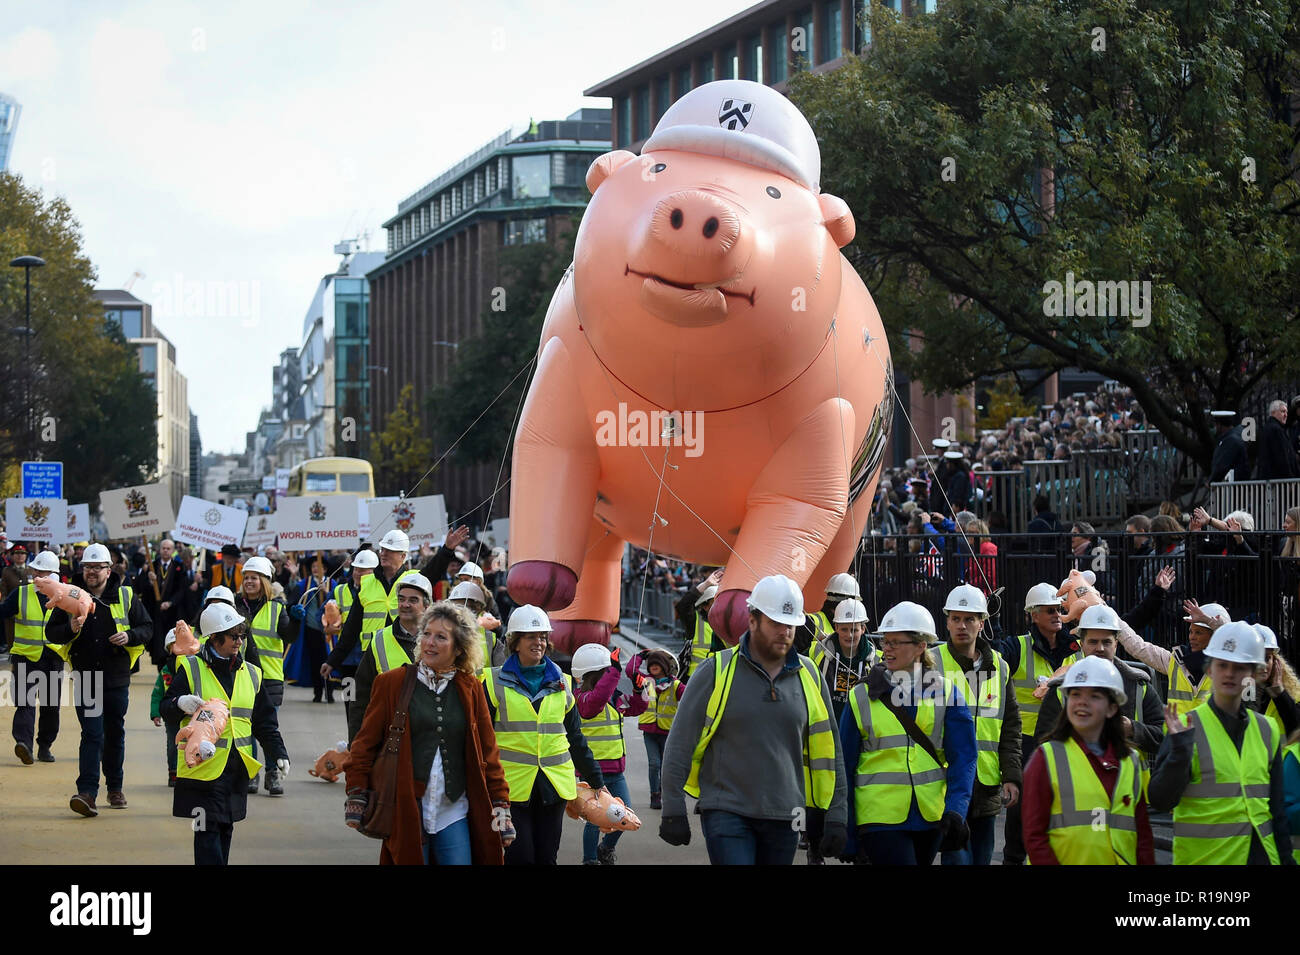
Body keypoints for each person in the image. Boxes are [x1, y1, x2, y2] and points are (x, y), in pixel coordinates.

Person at [659, 575, 848, 865]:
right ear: (753, 620)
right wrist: (672, 807)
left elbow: (830, 750)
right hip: (726, 810)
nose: (785, 632)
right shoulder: (716, 670)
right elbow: (680, 742)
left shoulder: (809, 675)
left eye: (790, 625)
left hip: (788, 815)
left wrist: (837, 814)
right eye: (776, 623)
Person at [345, 602, 512, 865]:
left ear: (459, 648)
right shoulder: (391, 683)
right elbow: (364, 745)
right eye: (426, 634)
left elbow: (489, 755)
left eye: (441, 637)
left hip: (455, 809)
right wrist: (356, 791)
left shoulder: (471, 689)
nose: (429, 642)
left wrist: (501, 807)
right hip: (405, 808)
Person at [840, 600, 977, 865]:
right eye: (885, 642)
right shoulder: (861, 696)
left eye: (894, 643)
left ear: (920, 646)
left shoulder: (948, 693)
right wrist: (846, 828)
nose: (886, 649)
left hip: (930, 817)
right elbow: (844, 764)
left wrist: (956, 810)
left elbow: (964, 758)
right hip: (878, 816)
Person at [1149, 622, 1294, 865]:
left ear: (1255, 674)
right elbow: (1161, 800)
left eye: (1240, 667)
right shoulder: (1185, 726)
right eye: (1222, 665)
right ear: (1209, 671)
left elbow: (1276, 810)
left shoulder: (1266, 729)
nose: (1229, 673)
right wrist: (1179, 753)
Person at [161, 603, 287, 865]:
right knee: (206, 831)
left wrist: (278, 754)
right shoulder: (191, 667)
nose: (240, 641)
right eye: (234, 636)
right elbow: (166, 707)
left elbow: (265, 721)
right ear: (215, 638)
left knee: (225, 828)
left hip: (236, 768)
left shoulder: (251, 673)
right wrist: (180, 703)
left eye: (242, 635)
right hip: (203, 770)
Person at [482, 605, 606, 865]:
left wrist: (596, 779)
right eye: (530, 636)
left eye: (542, 636)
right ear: (515, 642)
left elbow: (575, 737)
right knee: (519, 858)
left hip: (553, 788)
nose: (538, 642)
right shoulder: (491, 683)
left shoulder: (562, 681)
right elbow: (478, 741)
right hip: (506, 792)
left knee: (546, 858)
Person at [44, 543, 153, 817]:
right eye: (87, 567)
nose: (91, 572)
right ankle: (87, 793)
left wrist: (130, 636)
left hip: (116, 677)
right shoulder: (70, 595)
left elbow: (147, 627)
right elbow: (51, 632)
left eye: (97, 567)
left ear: (109, 569)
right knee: (92, 733)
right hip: (87, 678)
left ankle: (115, 788)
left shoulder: (126, 596)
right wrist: (69, 627)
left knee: (114, 734)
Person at [1022, 657, 1154, 864]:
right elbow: (1034, 836)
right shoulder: (1046, 758)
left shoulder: (1132, 762)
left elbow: (1143, 837)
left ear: (1112, 708)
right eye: (1075, 694)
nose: (1082, 701)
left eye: (1094, 696)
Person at [991, 582, 1081, 864]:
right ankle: (1013, 859)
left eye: (1059, 610)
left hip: (1066, 740)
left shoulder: (1075, 647)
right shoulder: (1018, 647)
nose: (1056, 615)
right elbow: (993, 657)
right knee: (1020, 810)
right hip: (1026, 742)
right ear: (1033, 615)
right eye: (1049, 610)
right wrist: (991, 619)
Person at [934, 584, 1021, 865]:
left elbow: (1010, 727)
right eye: (956, 618)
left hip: (987, 783)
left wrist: (1011, 776)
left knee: (982, 859)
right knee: (956, 859)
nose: (962, 625)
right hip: (946, 782)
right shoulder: (930, 664)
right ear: (946, 621)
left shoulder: (1000, 666)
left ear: (982, 623)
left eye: (970, 619)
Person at [1036, 604, 1165, 758]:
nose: (1100, 648)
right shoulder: (1060, 689)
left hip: (1127, 780)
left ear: (1116, 644)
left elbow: (1164, 736)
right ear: (1081, 644)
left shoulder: (1139, 686)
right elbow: (1043, 743)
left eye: (1107, 642)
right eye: (1093, 642)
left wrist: (1132, 729)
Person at [340, 573, 433, 744]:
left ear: (427, 606)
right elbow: (360, 697)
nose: (405, 605)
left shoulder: (438, 641)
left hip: (428, 739)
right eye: (401, 599)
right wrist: (355, 744)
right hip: (388, 739)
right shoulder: (379, 641)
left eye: (413, 600)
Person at [234, 555, 295, 795]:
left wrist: (296, 622)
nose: (249, 582)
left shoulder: (277, 608)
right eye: (246, 578)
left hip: (269, 676)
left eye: (254, 578)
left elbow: (290, 637)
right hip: (240, 674)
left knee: (268, 726)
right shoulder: (234, 605)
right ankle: (251, 772)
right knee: (245, 727)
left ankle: (273, 774)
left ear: (265, 582)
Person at [2, 550, 68, 764]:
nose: (37, 576)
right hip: (24, 657)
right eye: (35, 571)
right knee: (25, 703)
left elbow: (76, 625)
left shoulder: (66, 596)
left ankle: (45, 745)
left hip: (53, 658)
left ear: (54, 574)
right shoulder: (21, 594)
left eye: (42, 572)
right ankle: (24, 745)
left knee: (50, 706)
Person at [572, 643, 632, 865]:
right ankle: (590, 860)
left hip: (616, 770)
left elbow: (634, 707)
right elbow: (595, 703)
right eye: (606, 673)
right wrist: (615, 671)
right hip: (592, 770)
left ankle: (605, 848)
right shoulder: (581, 699)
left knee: (624, 815)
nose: (610, 677)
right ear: (595, 676)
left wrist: (639, 691)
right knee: (595, 819)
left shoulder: (612, 697)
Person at [1117, 598, 1228, 716]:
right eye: (1191, 632)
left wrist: (1209, 621)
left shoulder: (1227, 666)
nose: (1192, 637)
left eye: (1199, 632)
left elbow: (1235, 642)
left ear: (1215, 636)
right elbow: (1138, 646)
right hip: (1178, 733)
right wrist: (1106, 612)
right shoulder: (1176, 660)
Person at [623, 648, 684, 811]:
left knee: (665, 765)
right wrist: (641, 656)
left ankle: (664, 792)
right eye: (652, 664)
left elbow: (689, 697)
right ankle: (654, 794)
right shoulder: (645, 682)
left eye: (657, 663)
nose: (654, 666)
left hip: (667, 732)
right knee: (654, 764)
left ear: (664, 666)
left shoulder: (676, 685)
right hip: (649, 731)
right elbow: (630, 671)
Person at [137, 537, 185, 664]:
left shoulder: (179, 567)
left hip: (171, 612)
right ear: (159, 550)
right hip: (155, 611)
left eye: (168, 549)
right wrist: (148, 580)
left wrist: (170, 603)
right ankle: (160, 664)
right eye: (163, 548)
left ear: (173, 551)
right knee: (158, 644)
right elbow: (142, 588)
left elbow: (181, 589)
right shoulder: (152, 566)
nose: (165, 551)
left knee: (171, 641)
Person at [447, 580, 504, 671]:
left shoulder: (491, 640)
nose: (457, 612)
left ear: (477, 610)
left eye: (462, 608)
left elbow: (503, 673)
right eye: (454, 608)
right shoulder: (440, 634)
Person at [1210, 410, 1250, 481]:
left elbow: (1222, 465)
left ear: (1219, 425)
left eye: (1215, 424)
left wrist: (1212, 480)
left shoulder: (1230, 440)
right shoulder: (1231, 438)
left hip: (1233, 485)